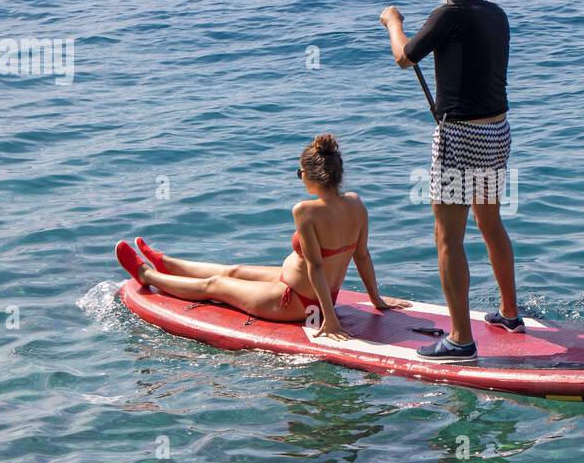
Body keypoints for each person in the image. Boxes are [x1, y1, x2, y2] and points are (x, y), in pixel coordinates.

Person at [379, 0, 522, 362]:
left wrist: (392, 20)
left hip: (460, 137)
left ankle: (460, 339)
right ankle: (509, 314)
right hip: (497, 131)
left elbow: (404, 57)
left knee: (448, 236)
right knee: (490, 222)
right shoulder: (497, 14)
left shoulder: (447, 14)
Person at [114, 133, 407, 340]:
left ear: (310, 175)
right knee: (234, 270)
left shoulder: (305, 211)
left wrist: (329, 319)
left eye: (299, 172)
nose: (299, 177)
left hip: (295, 302)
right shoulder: (356, 202)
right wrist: (376, 299)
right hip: (300, 286)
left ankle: (148, 276)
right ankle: (166, 262)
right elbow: (363, 256)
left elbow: (317, 267)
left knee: (216, 285)